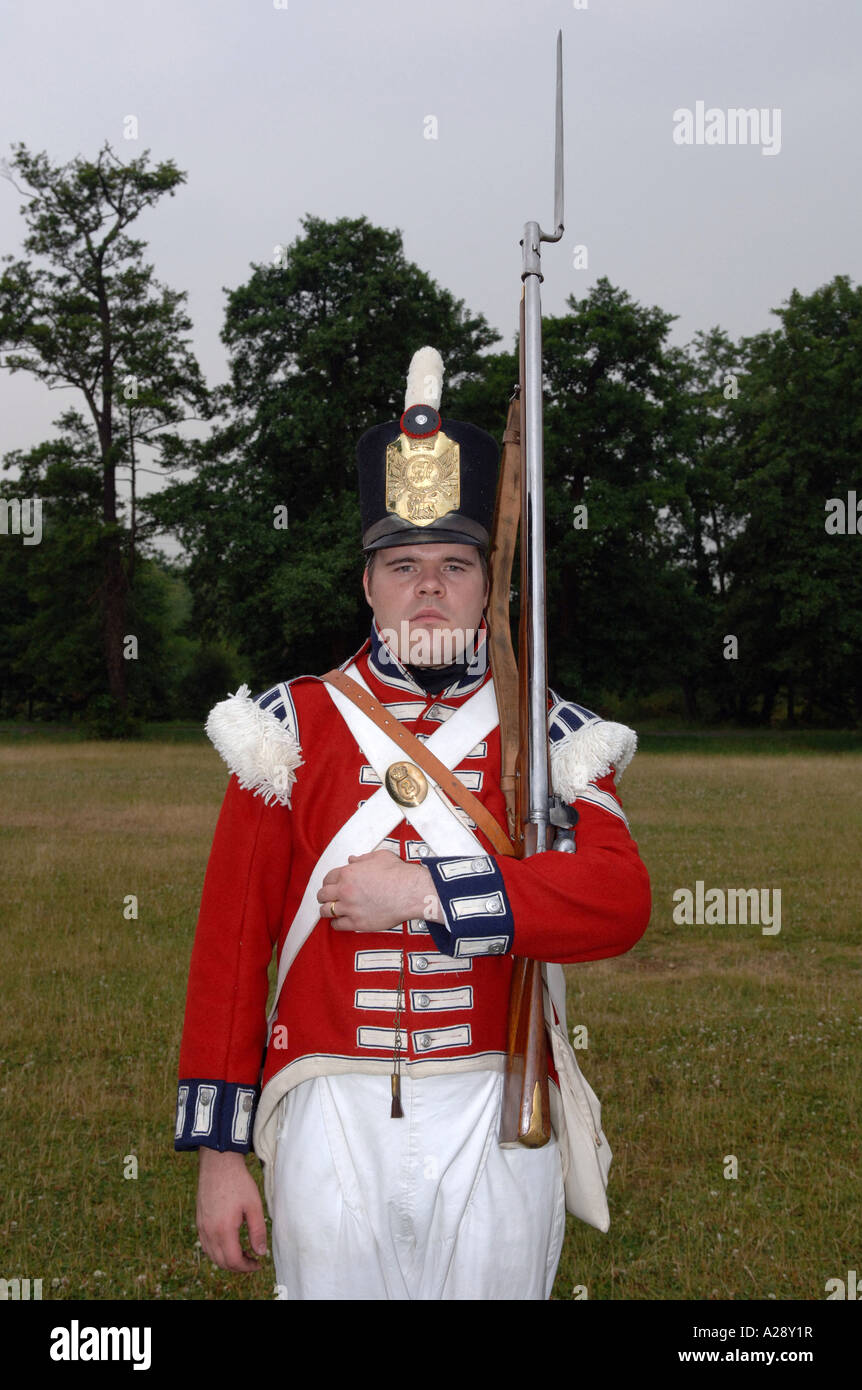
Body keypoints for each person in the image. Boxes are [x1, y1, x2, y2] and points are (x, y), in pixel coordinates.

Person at [175, 347, 651, 1300]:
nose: (427, 587)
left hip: (494, 1103)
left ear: (488, 584)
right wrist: (220, 1155)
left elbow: (616, 901)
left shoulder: (551, 735)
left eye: (453, 565)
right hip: (327, 1106)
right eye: (402, 566)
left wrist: (428, 890)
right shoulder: (288, 727)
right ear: (367, 585)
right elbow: (233, 950)